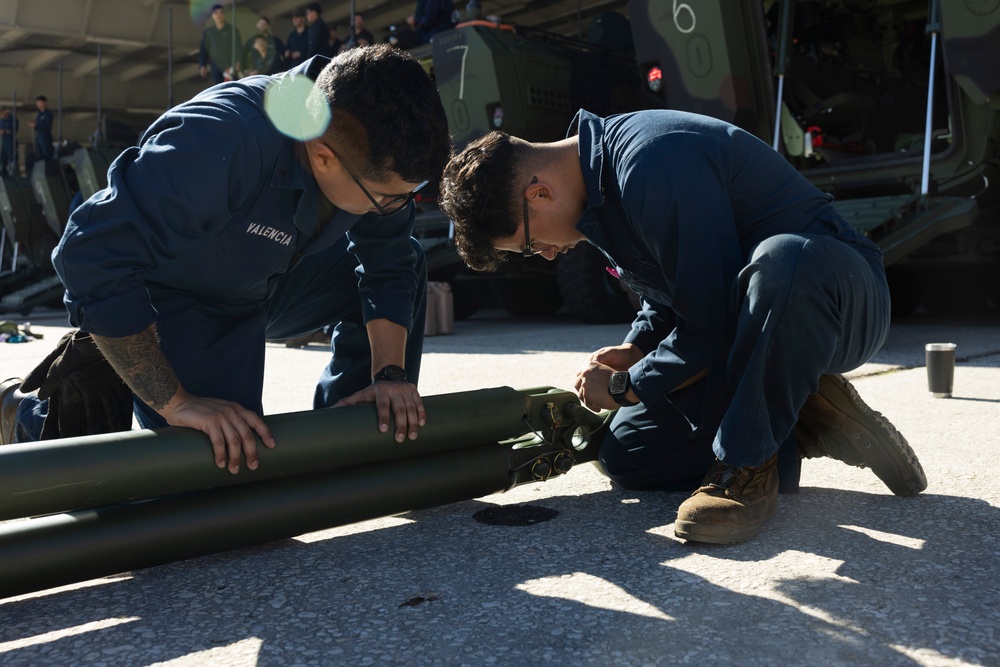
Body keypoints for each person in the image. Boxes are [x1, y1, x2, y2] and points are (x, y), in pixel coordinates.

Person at [438, 109, 927, 545]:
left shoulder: (651, 161)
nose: (544, 255)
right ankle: (806, 418)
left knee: (783, 260)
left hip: (836, 295)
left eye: (528, 246)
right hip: (753, 330)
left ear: (539, 192)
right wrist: (635, 347)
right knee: (631, 453)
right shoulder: (598, 192)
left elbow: (707, 325)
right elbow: (667, 297)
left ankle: (743, 470)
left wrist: (627, 385)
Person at [2, 46, 452, 477]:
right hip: (182, 298)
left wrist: (390, 373)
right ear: (323, 157)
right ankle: (21, 415)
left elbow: (389, 260)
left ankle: (346, 438)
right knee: (219, 472)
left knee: (409, 259)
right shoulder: (223, 137)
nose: (397, 207)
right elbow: (89, 254)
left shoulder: (367, 139)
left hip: (273, 279)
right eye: (389, 198)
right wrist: (176, 402)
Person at [198, 3, 243, 85]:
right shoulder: (209, 32)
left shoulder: (231, 30)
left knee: (232, 87)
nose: (219, 15)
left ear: (224, 14)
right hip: (216, 65)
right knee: (218, 88)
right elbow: (204, 49)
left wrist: (238, 61)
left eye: (221, 12)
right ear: (212, 15)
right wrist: (202, 65)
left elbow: (238, 46)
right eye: (216, 13)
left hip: (230, 64)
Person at [27, 96, 53, 162]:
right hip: (39, 137)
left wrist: (36, 126)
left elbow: (47, 125)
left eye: (40, 103)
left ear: (44, 103)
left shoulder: (48, 114)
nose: (38, 105)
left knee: (46, 155)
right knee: (39, 156)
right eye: (37, 103)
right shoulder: (39, 114)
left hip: (45, 137)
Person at [0, 106, 17, 176]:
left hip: (11, 141)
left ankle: (11, 172)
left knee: (11, 156)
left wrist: (3, 131)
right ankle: (3, 172)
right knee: (3, 157)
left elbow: (12, 131)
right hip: (3, 141)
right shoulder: (1, 121)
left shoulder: (12, 120)